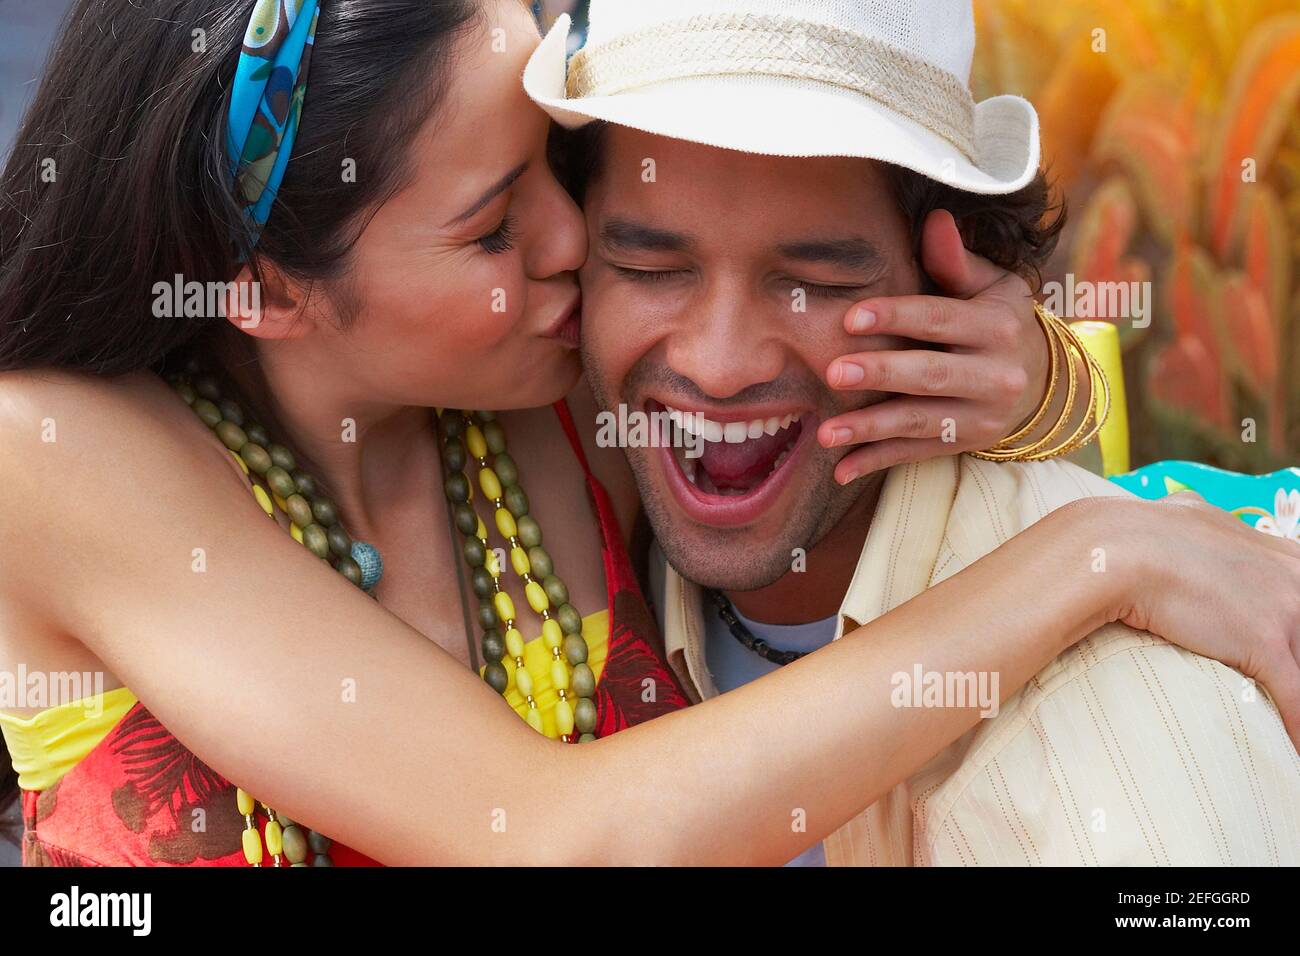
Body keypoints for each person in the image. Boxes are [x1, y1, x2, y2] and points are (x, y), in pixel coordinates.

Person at [0, 0, 1294, 867]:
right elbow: (560, 841)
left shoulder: (552, 392)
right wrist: (1100, 561)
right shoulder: (53, 451)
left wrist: (1053, 381)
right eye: (497, 224)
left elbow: (831, 356)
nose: (572, 251)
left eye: (557, 182)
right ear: (270, 292)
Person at [527, 0, 1300, 865]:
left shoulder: (1119, 746)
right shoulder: (537, 476)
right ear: (570, 257)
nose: (718, 363)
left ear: (948, 281)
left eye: (815, 284)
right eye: (649, 268)